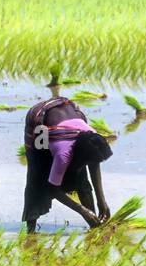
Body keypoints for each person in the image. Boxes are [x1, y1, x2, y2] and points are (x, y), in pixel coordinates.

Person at [21, 96, 113, 232]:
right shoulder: (63, 154)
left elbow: (94, 164)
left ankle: (95, 223)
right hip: (39, 123)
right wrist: (82, 210)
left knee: (81, 176)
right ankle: (31, 229)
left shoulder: (92, 137)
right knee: (38, 175)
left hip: (69, 115)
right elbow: (53, 188)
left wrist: (102, 201)